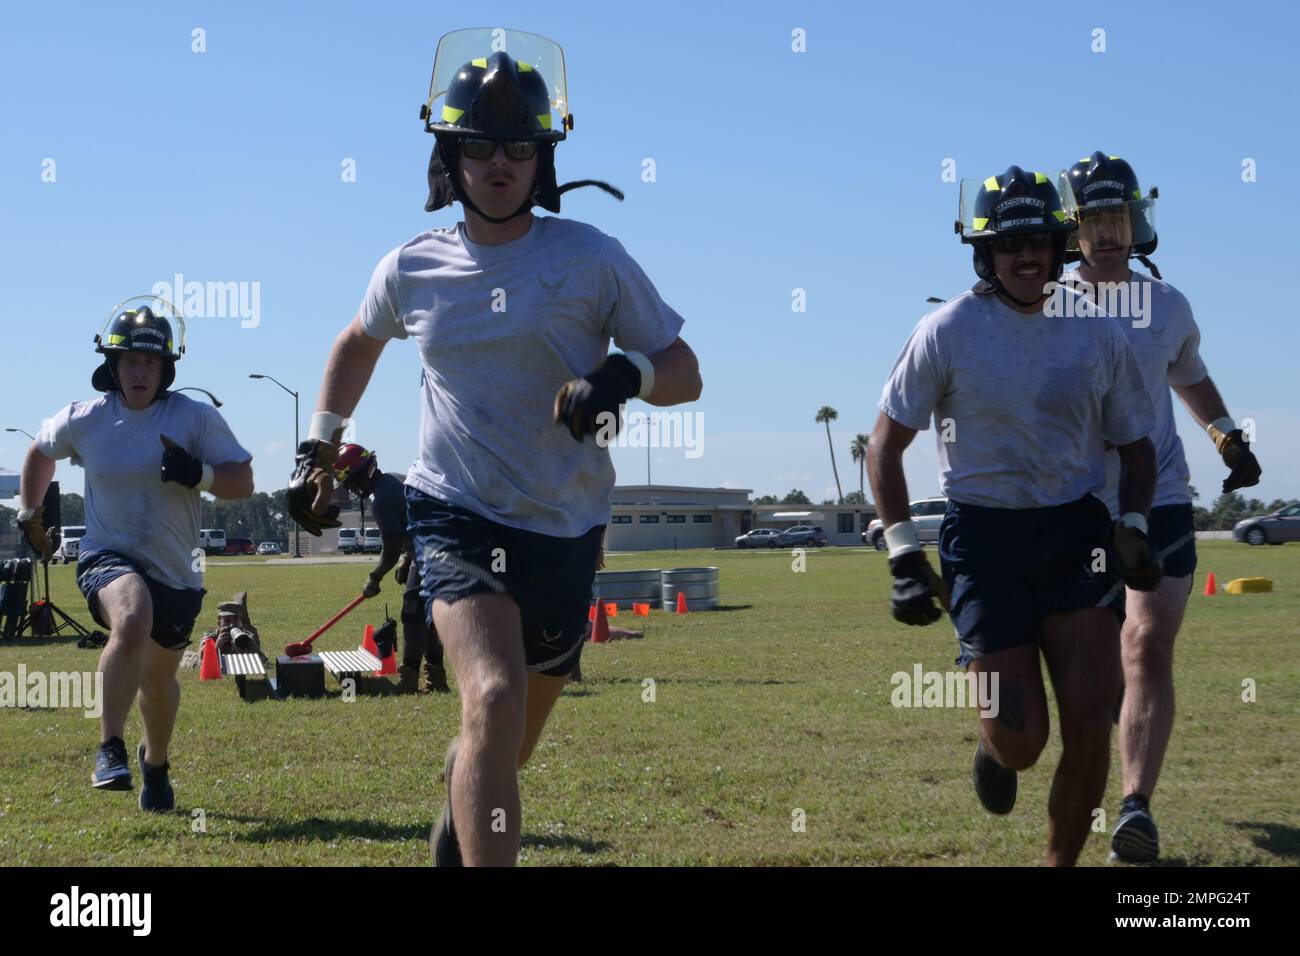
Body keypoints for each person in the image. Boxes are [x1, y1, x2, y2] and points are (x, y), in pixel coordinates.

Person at [286, 30, 701, 866]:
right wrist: (318, 449)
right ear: (451, 158)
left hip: (566, 527)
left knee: (511, 734)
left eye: (519, 145)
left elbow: (683, 371)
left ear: (544, 157)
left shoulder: (593, 258)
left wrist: (624, 378)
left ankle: (461, 798)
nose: (500, 162)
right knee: (494, 697)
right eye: (480, 145)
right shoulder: (411, 267)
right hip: (456, 516)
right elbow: (356, 344)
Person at [867, 166, 1160, 865]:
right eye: (1009, 245)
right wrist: (905, 556)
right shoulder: (946, 330)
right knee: (1022, 742)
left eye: (1040, 241)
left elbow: (1137, 448)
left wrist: (1136, 526)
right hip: (985, 539)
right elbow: (884, 447)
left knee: (1091, 720)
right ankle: (993, 752)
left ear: (1062, 246)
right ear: (982, 252)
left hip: (1077, 536)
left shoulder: (1098, 332)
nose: (1027, 257)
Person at [1062, 152, 1262, 863]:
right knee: (1092, 667)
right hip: (1075, 508)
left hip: (1165, 499)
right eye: (1094, 220)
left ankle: (1135, 811)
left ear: (1137, 221)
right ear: (1072, 228)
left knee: (1146, 644)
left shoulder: (1167, 304)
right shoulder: (1044, 307)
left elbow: (1192, 378)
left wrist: (1227, 438)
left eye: (1119, 217)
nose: (1108, 232)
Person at [18, 296, 253, 811]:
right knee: (131, 617)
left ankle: (156, 762)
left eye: (151, 361)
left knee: (159, 679)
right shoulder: (85, 419)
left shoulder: (194, 418)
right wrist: (30, 515)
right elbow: (38, 450)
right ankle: (109, 748)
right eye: (131, 361)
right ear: (113, 366)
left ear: (167, 369)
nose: (141, 371)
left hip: (178, 572)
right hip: (107, 556)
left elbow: (244, 480)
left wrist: (201, 474)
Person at [333, 442, 449, 693]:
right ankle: (436, 680)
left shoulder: (382, 499)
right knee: (428, 617)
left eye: (352, 482)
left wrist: (374, 577)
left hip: (432, 553)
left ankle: (409, 681)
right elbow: (411, 523)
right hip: (437, 549)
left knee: (413, 612)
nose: (352, 489)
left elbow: (390, 549)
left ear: (363, 474)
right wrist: (408, 559)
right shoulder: (393, 481)